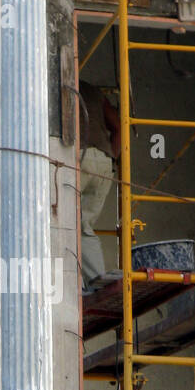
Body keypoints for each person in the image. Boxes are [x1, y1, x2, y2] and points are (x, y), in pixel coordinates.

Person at [78, 81, 120, 288]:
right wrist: (112, 158)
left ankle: (69, 284)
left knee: (59, 222)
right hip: (103, 162)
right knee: (83, 226)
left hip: (76, 157)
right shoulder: (93, 91)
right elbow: (119, 127)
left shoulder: (52, 81)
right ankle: (96, 281)